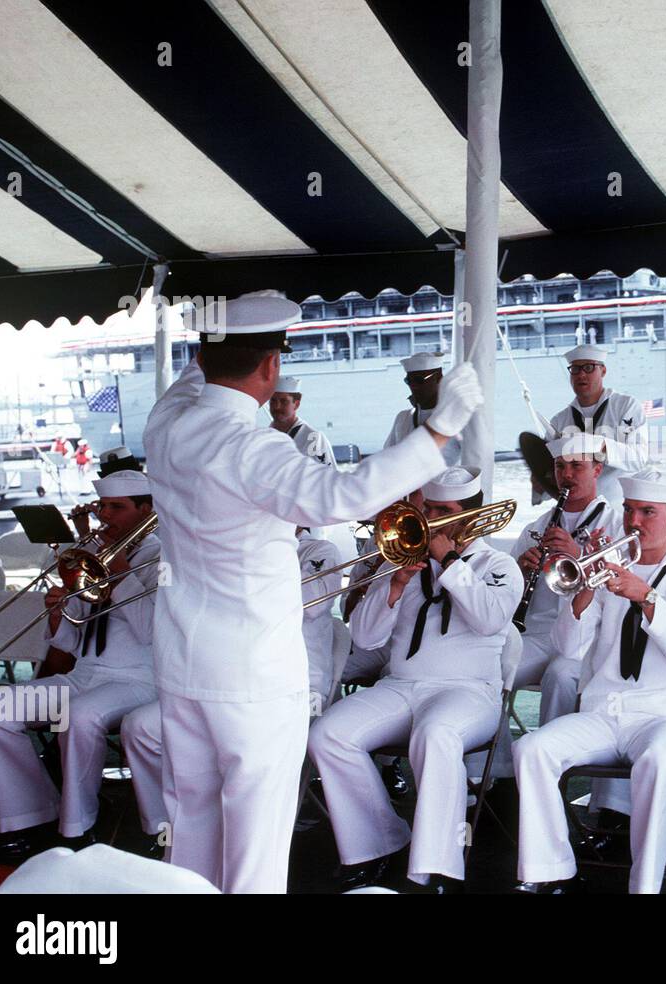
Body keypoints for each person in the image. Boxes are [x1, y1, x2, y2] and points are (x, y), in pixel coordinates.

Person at [143, 290, 479, 893]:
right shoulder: (250, 446)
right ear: (272, 368)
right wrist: (440, 428)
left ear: (202, 354)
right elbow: (344, 497)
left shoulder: (166, 425)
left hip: (180, 661)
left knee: (190, 815)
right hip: (251, 673)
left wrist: (219, 335)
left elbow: (201, 375)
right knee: (256, 834)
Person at [308, 467, 522, 892]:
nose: (430, 519)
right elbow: (366, 639)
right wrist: (395, 582)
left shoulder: (499, 565)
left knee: (437, 733)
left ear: (471, 517)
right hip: (401, 685)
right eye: (428, 509)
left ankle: (437, 866)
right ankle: (376, 843)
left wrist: (448, 562)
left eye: (444, 511)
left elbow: (489, 620)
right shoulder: (404, 561)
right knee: (327, 735)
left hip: (468, 691)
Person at [513, 469, 666, 894]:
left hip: (663, 715)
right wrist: (583, 591)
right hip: (603, 711)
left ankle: (646, 884)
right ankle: (550, 871)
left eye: (648, 512)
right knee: (532, 748)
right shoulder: (606, 569)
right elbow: (568, 650)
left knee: (660, 763)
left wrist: (647, 597)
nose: (635, 521)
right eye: (629, 510)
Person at [120, 526, 345, 850]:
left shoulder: (319, 551)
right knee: (140, 727)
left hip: (297, 684)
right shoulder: (232, 548)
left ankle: (247, 835)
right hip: (232, 681)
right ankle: (164, 829)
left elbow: (310, 606)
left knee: (243, 749)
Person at [0, 470, 158, 852]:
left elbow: (153, 633)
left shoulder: (163, 557)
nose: (105, 515)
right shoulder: (93, 554)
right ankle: (30, 813)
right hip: (85, 676)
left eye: (116, 507)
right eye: (103, 506)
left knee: (80, 715)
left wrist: (121, 573)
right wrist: (59, 613)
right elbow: (73, 640)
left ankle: (77, 827)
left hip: (138, 679)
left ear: (146, 509)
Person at [513, 433, 619, 724]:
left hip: (589, 637)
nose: (567, 475)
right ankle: (499, 762)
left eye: (577, 466)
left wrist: (579, 555)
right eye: (560, 467)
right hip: (538, 634)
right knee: (491, 670)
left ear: (597, 470)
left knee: (560, 675)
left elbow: (621, 587)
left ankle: (554, 759)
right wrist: (521, 570)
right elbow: (505, 590)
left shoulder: (617, 523)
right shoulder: (536, 527)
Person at [545, 345, 648, 503]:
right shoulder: (559, 421)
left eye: (589, 367)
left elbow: (638, 459)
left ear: (603, 371)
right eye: (575, 369)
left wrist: (600, 446)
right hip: (575, 512)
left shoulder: (626, 407)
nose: (581, 374)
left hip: (617, 508)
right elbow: (550, 475)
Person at [385, 353, 461, 466]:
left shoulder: (457, 417)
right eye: (409, 381)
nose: (413, 386)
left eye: (419, 380)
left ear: (439, 378)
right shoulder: (402, 418)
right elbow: (388, 459)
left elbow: (475, 461)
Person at [269, 376, 336, 467]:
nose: (277, 406)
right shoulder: (266, 436)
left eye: (283, 401)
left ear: (296, 404)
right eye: (273, 401)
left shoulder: (313, 438)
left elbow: (328, 475)